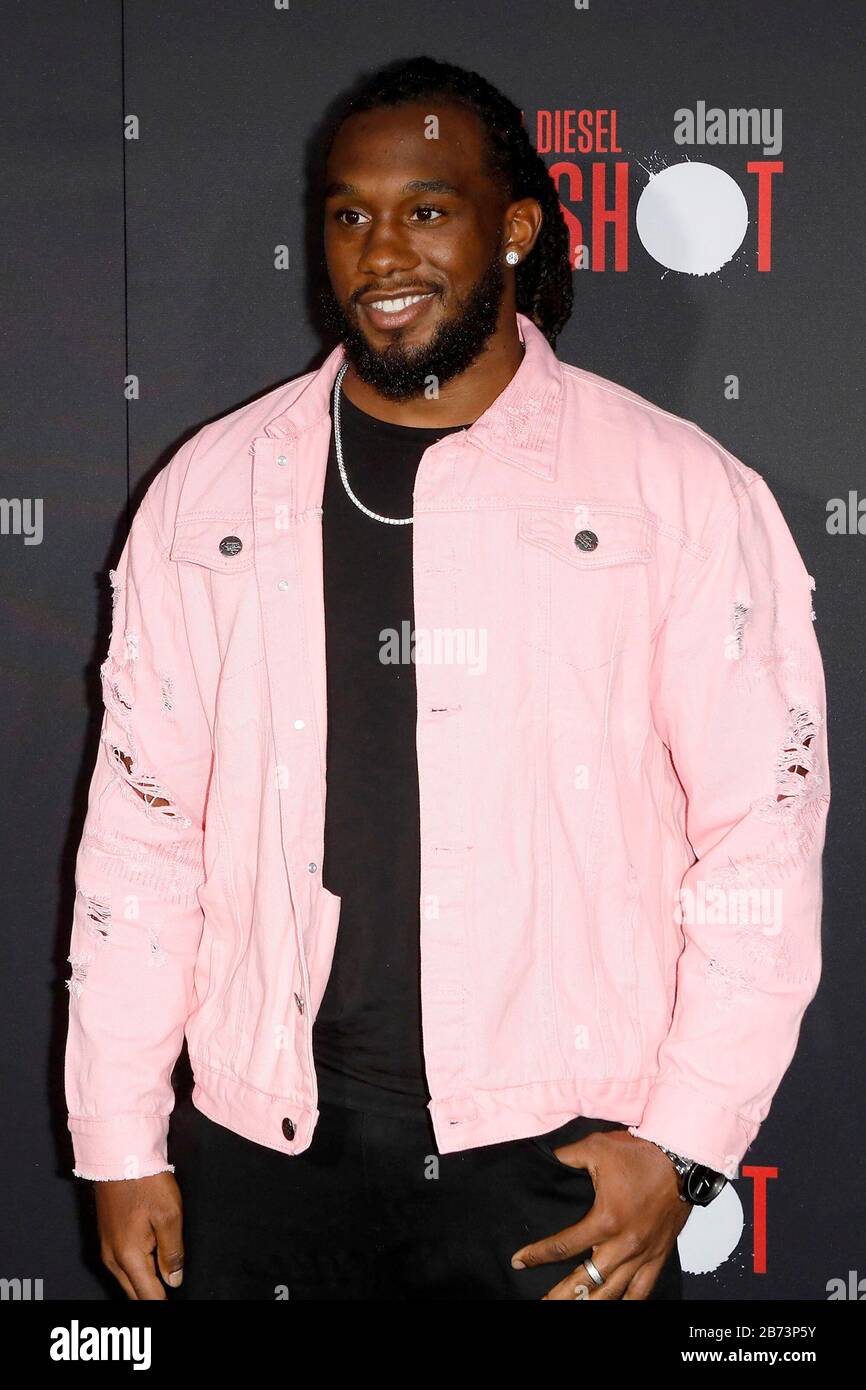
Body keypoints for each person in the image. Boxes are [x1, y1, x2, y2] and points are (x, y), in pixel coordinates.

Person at [64, 56, 829, 1301]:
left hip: (559, 1161)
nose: (380, 252)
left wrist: (684, 1145)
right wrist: (117, 1135)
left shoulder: (673, 489)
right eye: (348, 214)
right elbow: (143, 836)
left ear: (514, 227)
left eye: (426, 208)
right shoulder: (212, 489)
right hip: (263, 1149)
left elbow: (762, 832)